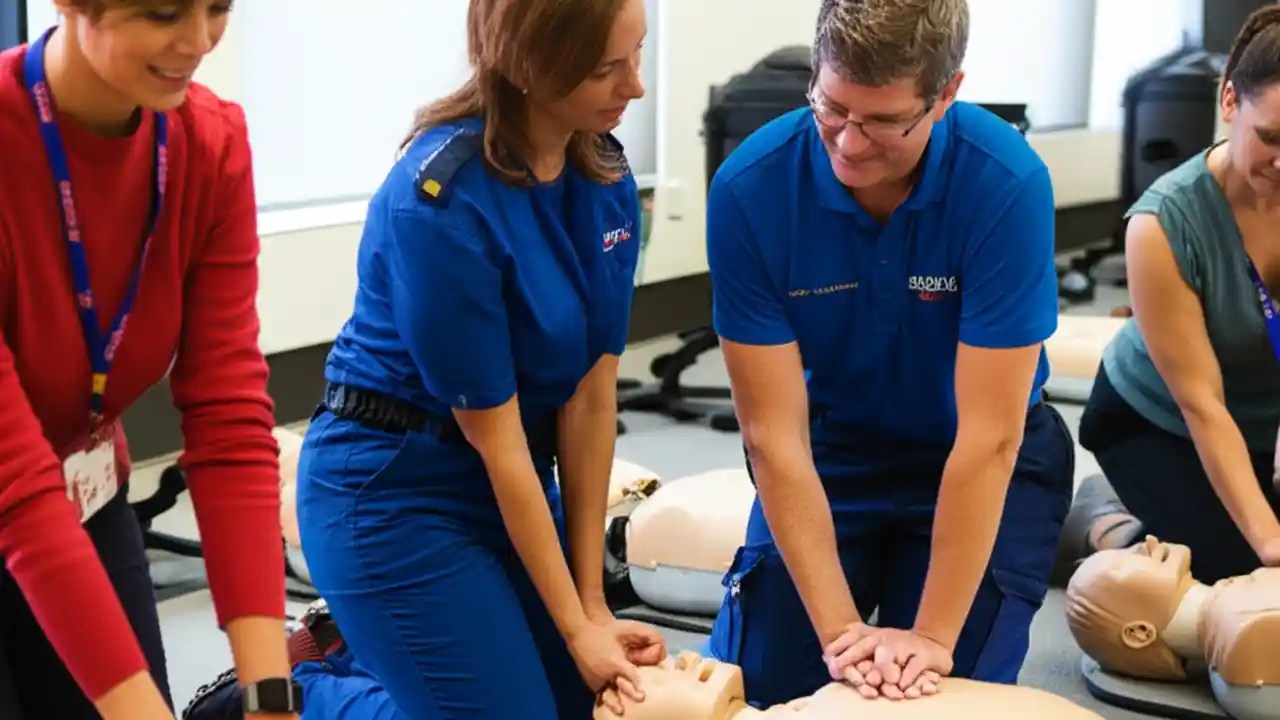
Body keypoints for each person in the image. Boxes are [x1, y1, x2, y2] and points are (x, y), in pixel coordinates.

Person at [293, 0, 666, 717]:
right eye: (605, 69)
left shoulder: (605, 176)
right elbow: (493, 440)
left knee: (584, 700)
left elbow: (589, 402)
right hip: (392, 489)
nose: (636, 88)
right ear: (530, 67)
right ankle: (300, 694)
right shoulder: (439, 200)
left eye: (638, 55)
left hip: (515, 478)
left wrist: (591, 607)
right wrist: (573, 629)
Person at [703, 0, 1074, 708]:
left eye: (883, 122)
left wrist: (932, 637)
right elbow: (772, 437)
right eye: (832, 107)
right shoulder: (752, 190)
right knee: (764, 687)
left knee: (938, 693)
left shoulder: (1006, 182)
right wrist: (841, 633)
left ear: (947, 95)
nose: (847, 143)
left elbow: (989, 439)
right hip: (835, 452)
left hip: (985, 454)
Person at [0, 1, 296, 719]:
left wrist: (271, 698)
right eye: (164, 12)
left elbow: (229, 420)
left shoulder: (210, 143)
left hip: (82, 492)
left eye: (218, 7)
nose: (198, 42)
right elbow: (13, 479)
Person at [1075, 4, 1280, 585]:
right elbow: (1202, 405)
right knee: (1234, 572)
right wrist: (1269, 543)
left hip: (1263, 420)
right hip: (1160, 421)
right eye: (1270, 136)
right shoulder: (1164, 221)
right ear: (1229, 102)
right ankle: (1101, 520)